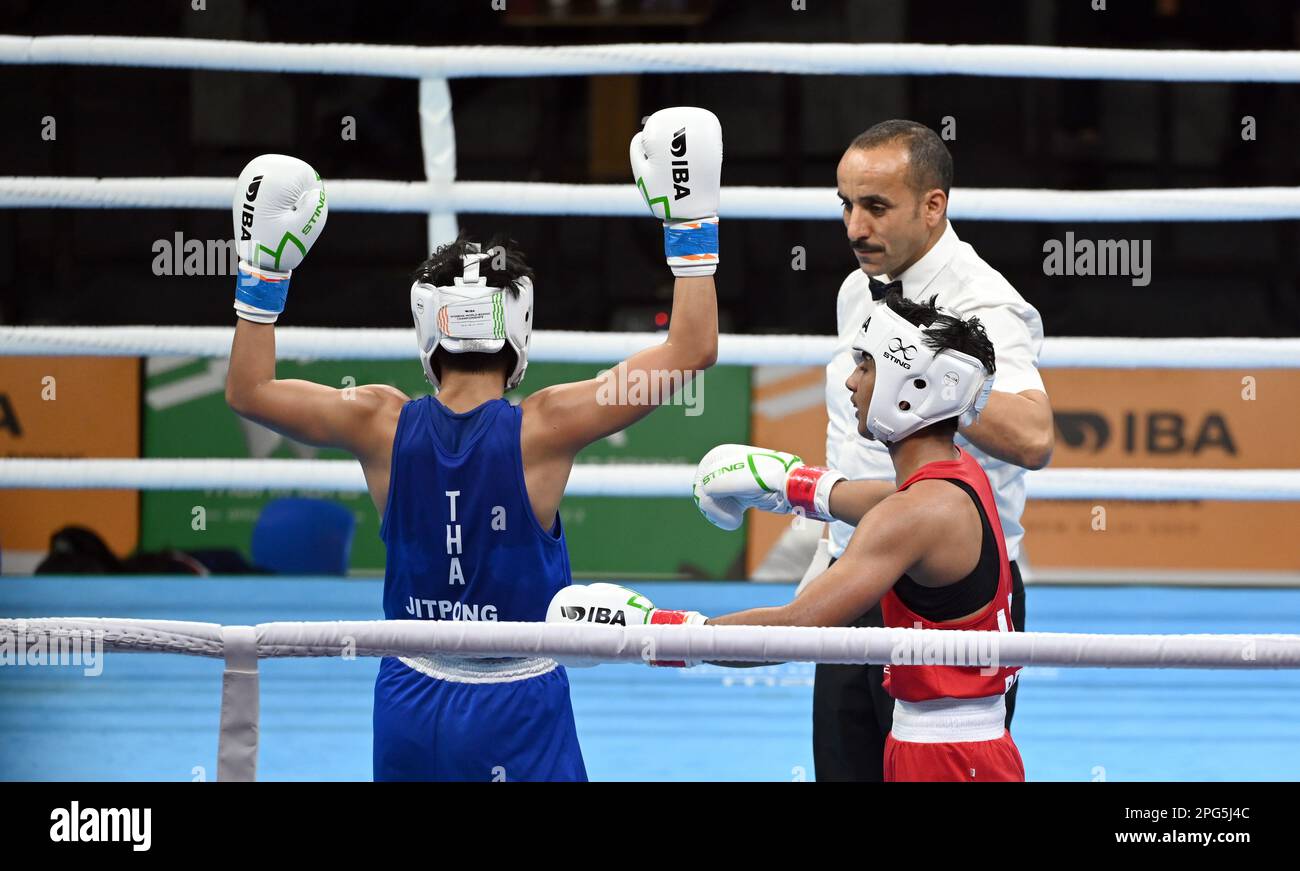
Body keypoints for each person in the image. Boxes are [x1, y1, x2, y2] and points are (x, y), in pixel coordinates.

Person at [223, 105, 722, 781]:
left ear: (428, 329)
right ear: (517, 327)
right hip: (516, 702)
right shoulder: (547, 426)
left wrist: (261, 277)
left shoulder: (378, 423)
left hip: (408, 696)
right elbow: (691, 348)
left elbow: (250, 391)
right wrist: (689, 227)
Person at [699, 119, 1052, 781]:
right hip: (855, 572)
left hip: (949, 603)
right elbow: (858, 438)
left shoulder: (983, 304)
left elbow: (1035, 438)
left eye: (876, 207)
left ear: (933, 204)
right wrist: (798, 492)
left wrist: (948, 378)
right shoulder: (859, 287)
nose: (856, 226)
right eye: (847, 204)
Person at [550, 290, 1024, 782]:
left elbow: (795, 627)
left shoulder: (914, 515)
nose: (851, 381)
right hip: (957, 745)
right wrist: (791, 484)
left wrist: (654, 633)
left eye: (866, 367)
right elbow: (877, 501)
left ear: (912, 386)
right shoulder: (956, 478)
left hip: (944, 758)